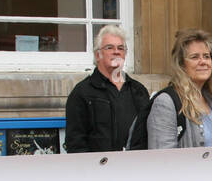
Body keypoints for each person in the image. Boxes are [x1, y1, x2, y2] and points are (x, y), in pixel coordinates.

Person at [64, 24, 150, 153]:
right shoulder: (82, 93)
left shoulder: (138, 90)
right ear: (98, 54)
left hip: (134, 167)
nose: (116, 51)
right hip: (98, 169)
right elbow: (75, 143)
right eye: (109, 47)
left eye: (121, 48)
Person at [147, 28, 212, 149]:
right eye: (195, 57)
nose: (203, 62)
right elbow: (162, 160)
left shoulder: (211, 101)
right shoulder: (166, 103)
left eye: (207, 56)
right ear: (181, 64)